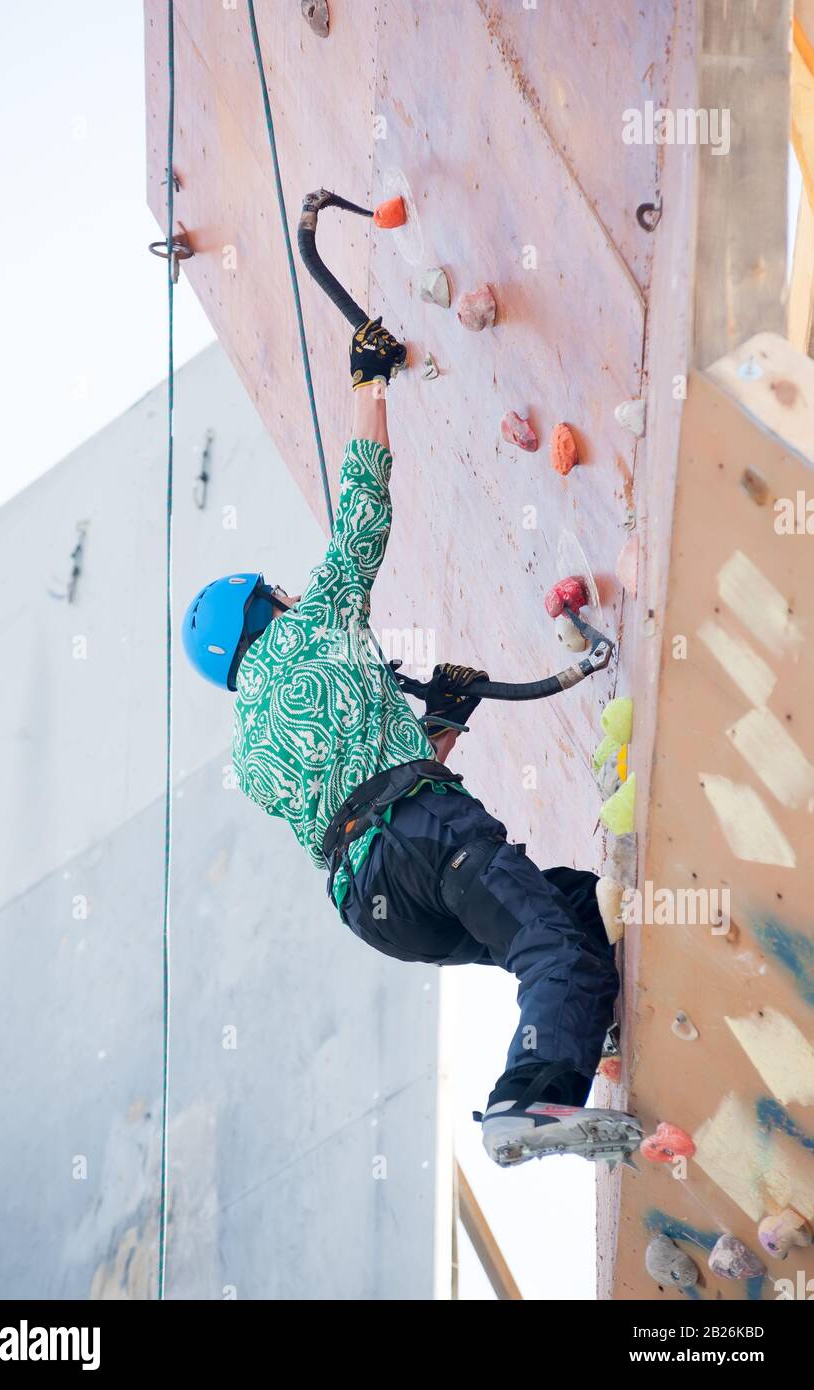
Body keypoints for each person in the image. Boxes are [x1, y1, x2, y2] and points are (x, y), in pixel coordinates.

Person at [182, 317, 641, 1168]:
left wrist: (447, 724)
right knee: (557, 948)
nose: (290, 597)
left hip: (376, 908)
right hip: (424, 841)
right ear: (261, 611)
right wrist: (369, 381)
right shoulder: (307, 626)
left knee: (572, 904)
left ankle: (600, 1031)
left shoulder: (248, 752)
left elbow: (365, 798)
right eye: (275, 594)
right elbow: (363, 509)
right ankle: (524, 1105)